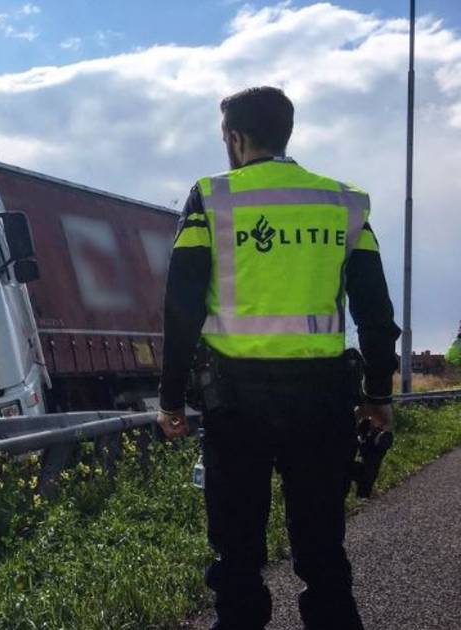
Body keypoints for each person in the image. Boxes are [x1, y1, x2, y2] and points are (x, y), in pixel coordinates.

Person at [157, 86, 400, 630]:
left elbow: (180, 310)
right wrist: (378, 396)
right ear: (286, 133)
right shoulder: (343, 203)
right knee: (322, 549)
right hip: (322, 400)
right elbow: (376, 312)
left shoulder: (210, 198)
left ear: (235, 138)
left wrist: (170, 400)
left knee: (237, 554)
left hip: (234, 404)